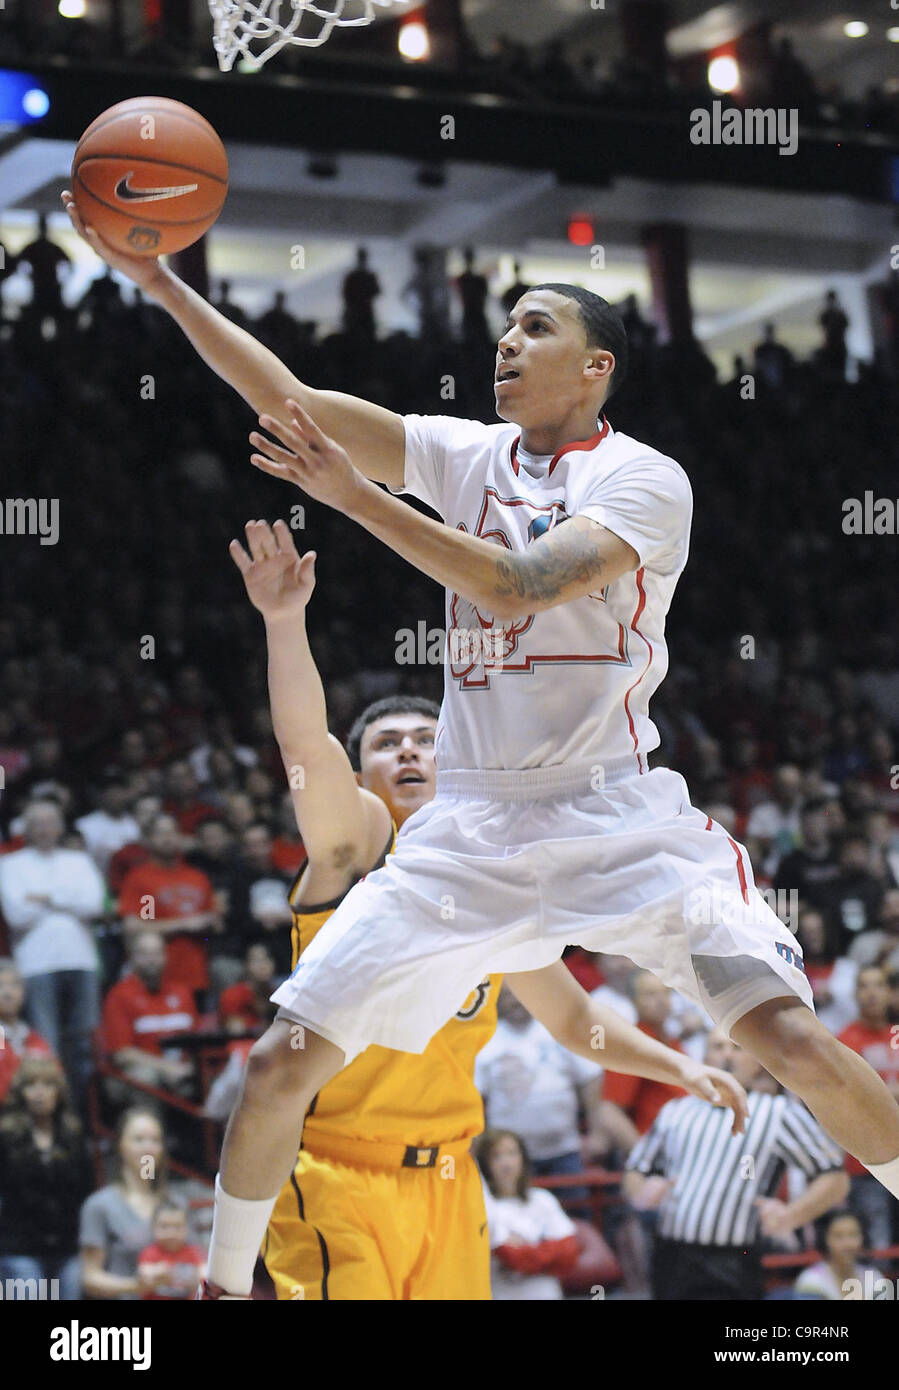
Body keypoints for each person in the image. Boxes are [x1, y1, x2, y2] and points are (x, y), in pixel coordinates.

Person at [60, 194, 899, 1301]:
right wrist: (163, 284)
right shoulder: (465, 455)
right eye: (501, 326)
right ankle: (219, 1288)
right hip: (466, 831)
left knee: (788, 1039)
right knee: (273, 1069)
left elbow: (509, 584)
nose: (505, 341)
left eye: (534, 326)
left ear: (595, 366)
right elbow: (294, 402)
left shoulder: (642, 481)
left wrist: (351, 499)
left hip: (615, 813)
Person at [209, 519, 744, 1301]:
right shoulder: (356, 845)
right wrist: (284, 623)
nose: (410, 752)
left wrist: (680, 1066)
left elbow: (572, 1023)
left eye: (427, 738)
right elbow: (304, 750)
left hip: (455, 1183)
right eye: (387, 744)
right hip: (338, 1176)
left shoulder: (488, 876)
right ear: (360, 777)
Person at [625, 1035, 849, 1300]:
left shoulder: (778, 1113)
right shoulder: (675, 1111)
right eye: (718, 1047)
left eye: (737, 1048)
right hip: (671, 1254)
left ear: (757, 1062)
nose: (727, 1055)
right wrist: (641, 1195)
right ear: (704, 1059)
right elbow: (636, 1169)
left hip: (735, 1258)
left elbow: (835, 1177)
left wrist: (792, 1215)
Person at [0, 800, 105, 1111]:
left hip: (81, 960)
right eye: (37, 822)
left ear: (61, 826)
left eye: (51, 821)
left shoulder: (79, 861)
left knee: (83, 1046)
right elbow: (17, 914)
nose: (45, 828)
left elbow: (95, 905)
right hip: (35, 965)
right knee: (49, 1046)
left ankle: (86, 1121)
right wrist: (67, 899)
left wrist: (45, 897)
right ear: (26, 829)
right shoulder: (9, 864)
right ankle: (56, 1115)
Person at [0, 1056, 93, 1300]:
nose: (39, 1093)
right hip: (19, 1246)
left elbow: (87, 1190)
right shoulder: (5, 1137)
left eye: (47, 1085)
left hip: (68, 1245)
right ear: (21, 1092)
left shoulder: (74, 1135)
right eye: (32, 1085)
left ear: (59, 1091)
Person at [117, 813, 222, 1002]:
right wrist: (183, 925)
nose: (167, 838)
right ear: (148, 840)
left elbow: (214, 926)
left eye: (172, 832)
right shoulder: (142, 879)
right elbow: (137, 927)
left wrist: (207, 924)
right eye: (161, 833)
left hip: (198, 974)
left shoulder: (197, 877)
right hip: (158, 977)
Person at [80, 1106, 177, 1299]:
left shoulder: (176, 1203)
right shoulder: (99, 1205)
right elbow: (89, 1278)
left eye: (155, 1140)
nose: (148, 1148)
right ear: (121, 1146)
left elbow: (194, 1260)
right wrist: (135, 1286)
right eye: (139, 1139)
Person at [476, 1128, 579, 1301]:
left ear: (523, 1157)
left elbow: (569, 1253)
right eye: (496, 1156)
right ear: (485, 1162)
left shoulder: (542, 1199)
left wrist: (525, 1251)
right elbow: (512, 1258)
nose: (506, 1163)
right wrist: (544, 1251)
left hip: (546, 1294)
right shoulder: (483, 1206)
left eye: (512, 1153)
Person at [837, 967, 899, 1251]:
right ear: (855, 994)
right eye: (864, 986)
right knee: (878, 1242)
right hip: (866, 1162)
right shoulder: (844, 1040)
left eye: (878, 985)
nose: (872, 993)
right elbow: (846, 1097)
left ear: (890, 993)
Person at [100, 930, 198, 1100]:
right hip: (138, 1073)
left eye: (157, 952)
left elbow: (197, 1041)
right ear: (131, 957)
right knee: (146, 1077)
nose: (152, 959)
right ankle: (147, 1126)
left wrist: (189, 1067)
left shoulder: (182, 993)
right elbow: (122, 1054)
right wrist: (166, 1068)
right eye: (144, 953)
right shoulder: (119, 995)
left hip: (183, 1071)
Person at [794, 1209, 886, 1301]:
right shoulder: (811, 1281)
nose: (847, 1244)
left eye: (853, 1235)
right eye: (838, 1236)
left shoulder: (874, 1277)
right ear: (825, 1240)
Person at [0, 958, 54, 1103]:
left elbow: (56, 1078)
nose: (8, 993)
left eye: (14, 985)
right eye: (1, 986)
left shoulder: (33, 1038)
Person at [137, 1202, 206, 1300]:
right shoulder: (150, 1252)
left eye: (177, 1227)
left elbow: (204, 1274)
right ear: (153, 1228)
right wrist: (157, 1271)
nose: (171, 1233)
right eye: (164, 1226)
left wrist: (198, 1277)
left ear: (187, 1229)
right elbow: (143, 1274)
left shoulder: (194, 1252)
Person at [75, 774, 140, 873]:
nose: (115, 797)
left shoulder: (136, 824)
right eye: (111, 792)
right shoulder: (84, 825)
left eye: (119, 791)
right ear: (102, 794)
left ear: (126, 793)